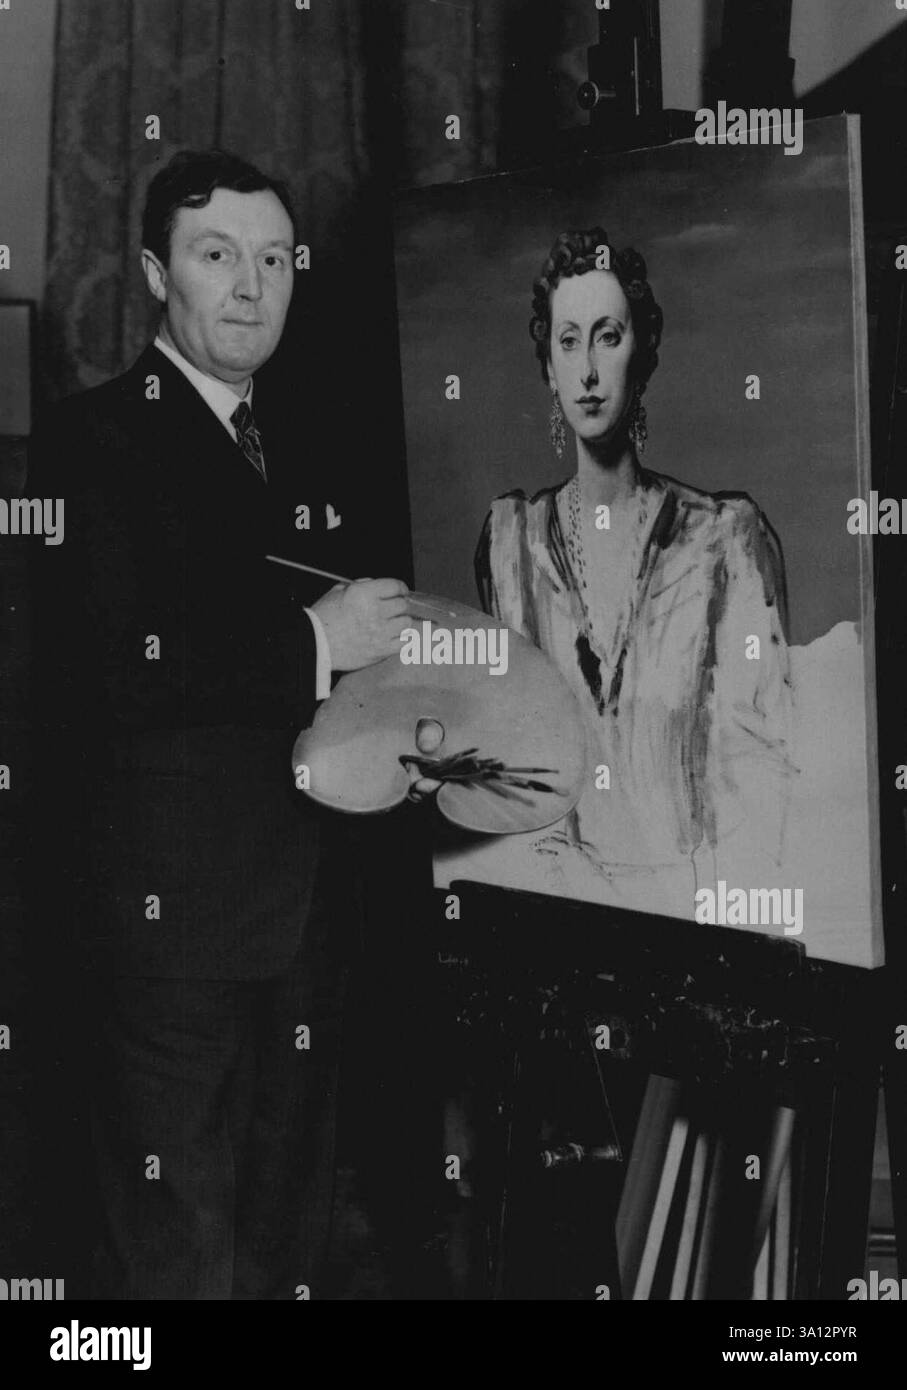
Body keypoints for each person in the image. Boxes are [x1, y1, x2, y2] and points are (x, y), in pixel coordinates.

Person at [26, 149, 414, 1299]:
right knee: (172, 1248)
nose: (251, 285)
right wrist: (314, 641)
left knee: (285, 1240)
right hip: (169, 931)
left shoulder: (325, 440)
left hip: (317, 915)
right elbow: (108, 666)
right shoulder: (88, 444)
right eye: (215, 255)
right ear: (157, 274)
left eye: (274, 259)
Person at [474, 228, 796, 912]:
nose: (587, 370)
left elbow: (762, 758)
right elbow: (515, 771)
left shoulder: (723, 538)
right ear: (547, 365)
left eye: (607, 336)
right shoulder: (511, 543)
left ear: (641, 353)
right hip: (554, 913)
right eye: (568, 341)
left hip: (700, 917)